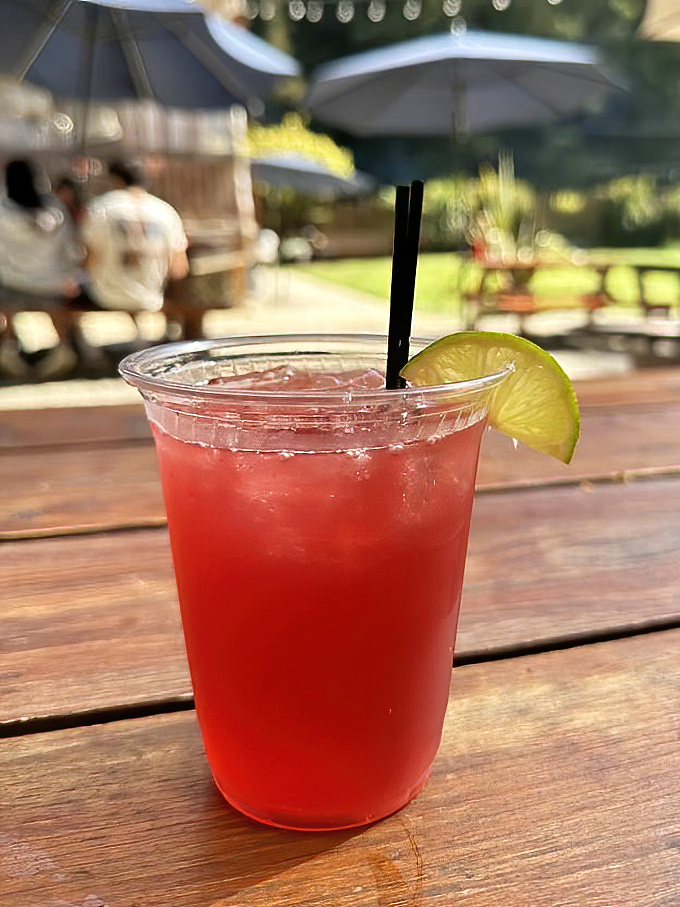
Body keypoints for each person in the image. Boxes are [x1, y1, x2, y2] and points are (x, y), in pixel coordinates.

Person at [0, 159, 83, 379]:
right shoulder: (55, 209)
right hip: (51, 286)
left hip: (12, 285)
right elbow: (71, 250)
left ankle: (8, 347)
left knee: (5, 300)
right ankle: (64, 347)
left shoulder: (3, 210)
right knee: (55, 307)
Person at [81, 159, 189, 317]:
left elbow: (91, 260)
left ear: (116, 179)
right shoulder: (165, 211)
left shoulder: (101, 208)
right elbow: (179, 269)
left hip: (106, 295)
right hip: (150, 297)